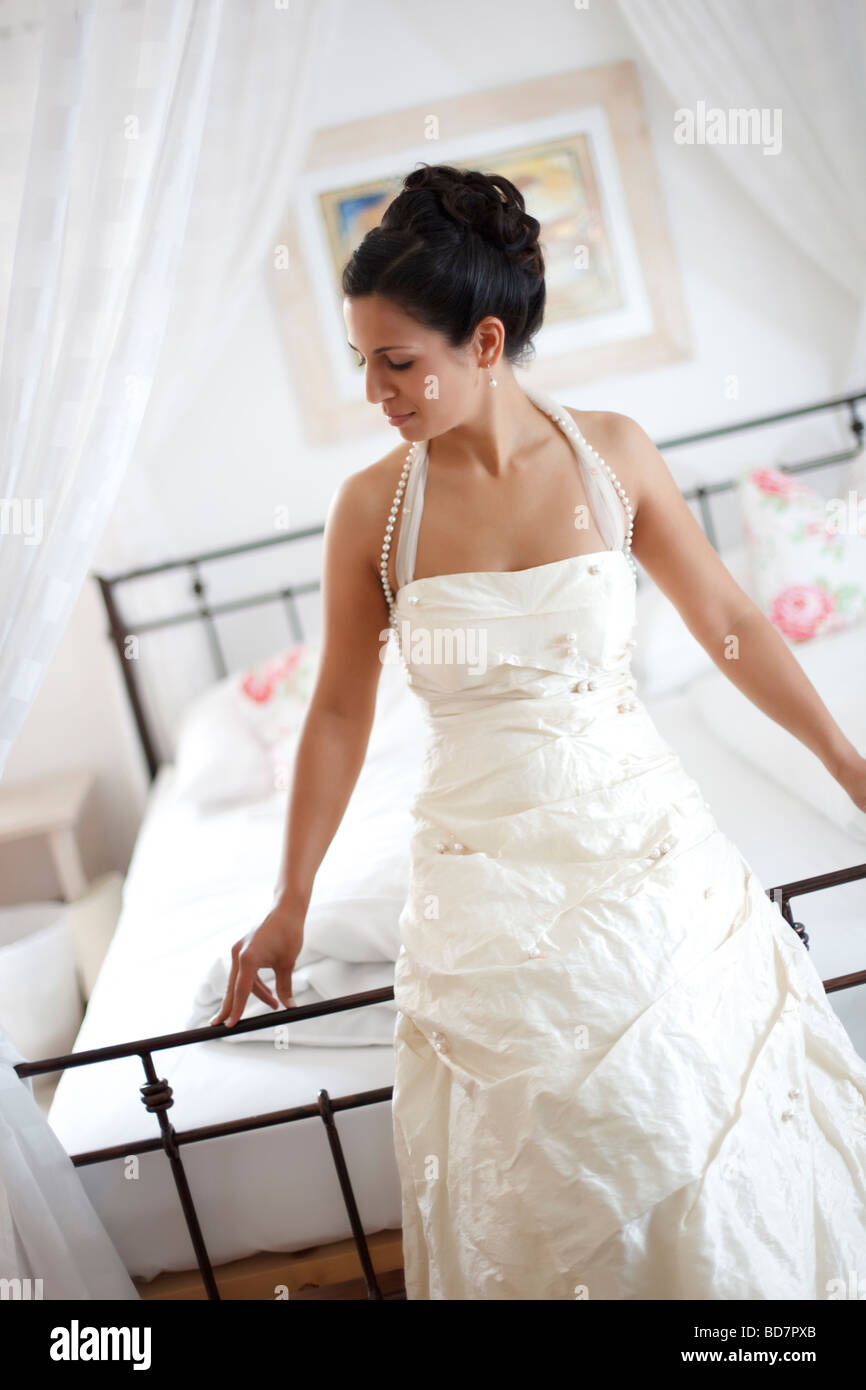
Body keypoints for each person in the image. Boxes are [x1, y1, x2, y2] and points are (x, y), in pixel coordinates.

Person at [211, 163, 866, 1300]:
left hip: (644, 852)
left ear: (483, 341)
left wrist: (849, 766)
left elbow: (725, 622)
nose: (376, 389)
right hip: (482, 890)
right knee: (545, 1172)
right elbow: (333, 710)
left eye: (396, 360)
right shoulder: (374, 509)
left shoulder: (609, 452)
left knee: (689, 1121)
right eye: (362, 361)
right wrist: (290, 898)